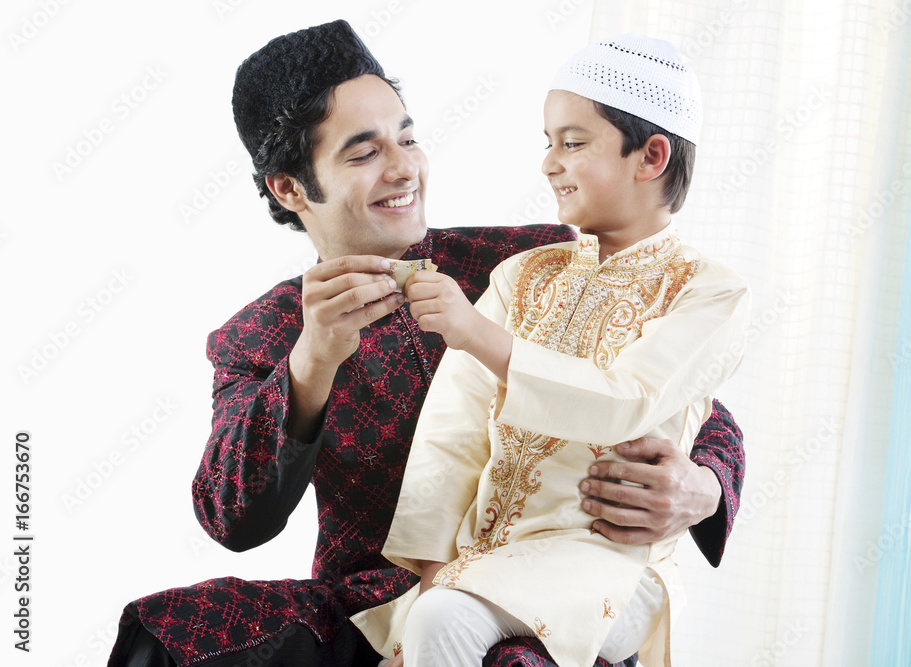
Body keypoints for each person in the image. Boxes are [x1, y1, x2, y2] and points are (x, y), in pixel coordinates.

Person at [107, 21, 747, 667]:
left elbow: (690, 400)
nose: (404, 166)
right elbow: (231, 518)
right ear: (290, 187)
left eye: (407, 138)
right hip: (367, 604)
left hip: (543, 588)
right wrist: (312, 361)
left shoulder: (526, 262)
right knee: (172, 632)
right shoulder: (264, 332)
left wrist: (701, 487)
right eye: (364, 153)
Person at [352, 34, 749, 667]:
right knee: (434, 613)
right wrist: (432, 569)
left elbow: (627, 401)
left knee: (444, 618)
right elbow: (452, 433)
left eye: (572, 142)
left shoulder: (708, 292)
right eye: (547, 142)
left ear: (650, 156)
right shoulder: (523, 274)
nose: (548, 163)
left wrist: (475, 332)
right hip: (487, 557)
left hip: (609, 565)